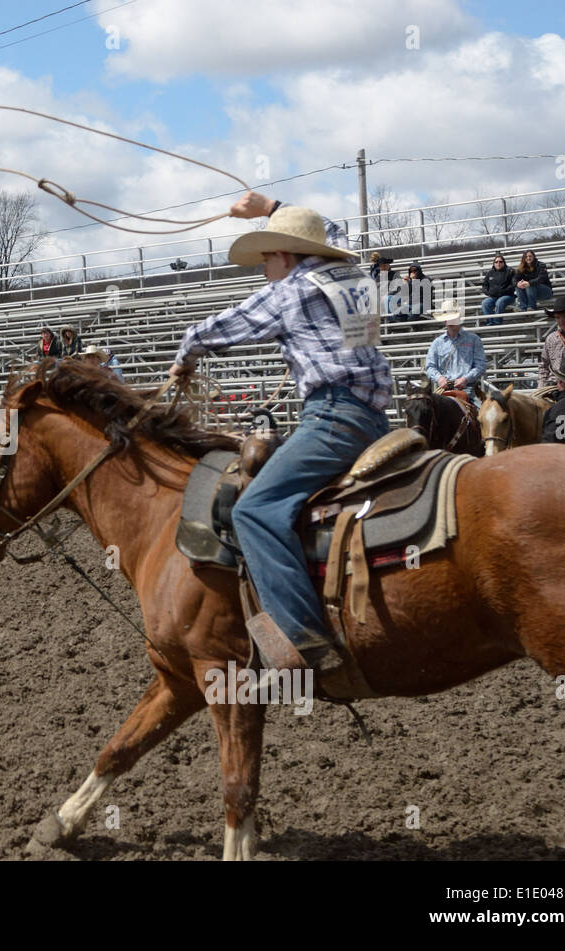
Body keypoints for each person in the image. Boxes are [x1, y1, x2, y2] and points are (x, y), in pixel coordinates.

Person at [168, 191, 391, 679]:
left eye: (268, 255)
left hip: (335, 417)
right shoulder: (348, 274)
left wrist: (184, 356)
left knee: (255, 510)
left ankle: (304, 640)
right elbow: (334, 232)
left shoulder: (289, 291)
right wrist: (272, 207)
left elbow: (217, 329)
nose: (264, 266)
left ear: (285, 255)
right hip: (376, 418)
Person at [424, 301, 486, 403]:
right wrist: (439, 379)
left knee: (481, 415)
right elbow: (430, 366)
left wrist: (465, 379)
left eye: (452, 318)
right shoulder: (437, 343)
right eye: (448, 318)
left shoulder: (474, 340)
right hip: (444, 389)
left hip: (468, 389)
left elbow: (481, 365)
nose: (450, 321)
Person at [480, 254, 515, 325]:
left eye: (500, 262)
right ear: (494, 263)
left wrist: (503, 291)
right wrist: (488, 292)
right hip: (493, 296)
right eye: (496, 262)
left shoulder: (510, 271)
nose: (498, 263)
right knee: (485, 303)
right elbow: (484, 285)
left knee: (500, 302)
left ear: (504, 263)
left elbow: (513, 284)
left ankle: (497, 322)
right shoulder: (490, 273)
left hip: (508, 296)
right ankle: (490, 322)